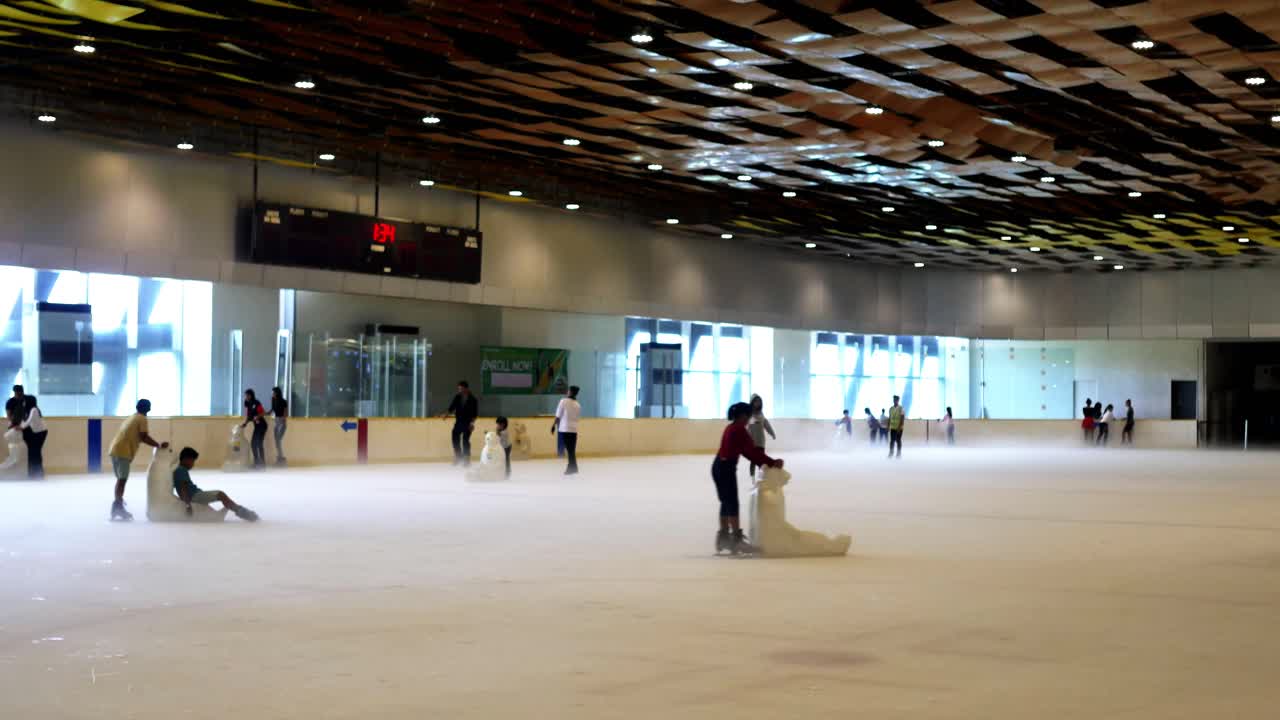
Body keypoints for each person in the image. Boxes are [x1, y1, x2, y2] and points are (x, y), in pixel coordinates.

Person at [714, 402, 784, 555]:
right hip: (726, 469)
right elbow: (752, 452)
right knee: (732, 503)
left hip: (719, 466)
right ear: (743, 415)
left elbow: (747, 452)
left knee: (726, 502)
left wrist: (765, 462)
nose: (749, 419)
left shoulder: (731, 427)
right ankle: (736, 541)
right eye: (748, 415)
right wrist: (772, 462)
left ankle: (724, 536)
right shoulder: (739, 430)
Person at [107, 399, 167, 521]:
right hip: (122, 451)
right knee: (122, 480)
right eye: (149, 407)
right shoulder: (142, 418)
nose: (150, 409)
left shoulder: (132, 417)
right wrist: (158, 445)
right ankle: (117, 507)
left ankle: (117, 504)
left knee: (121, 480)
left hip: (115, 450)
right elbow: (143, 437)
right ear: (148, 408)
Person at [173, 447, 259, 522]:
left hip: (195, 494)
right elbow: (182, 488)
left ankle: (239, 510)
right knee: (220, 495)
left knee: (220, 496)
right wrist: (187, 504)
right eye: (192, 461)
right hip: (194, 496)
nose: (193, 464)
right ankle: (243, 512)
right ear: (186, 459)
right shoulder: (181, 470)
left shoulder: (179, 469)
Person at [443, 380, 479, 466]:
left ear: (466, 388)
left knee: (465, 440)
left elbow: (475, 413)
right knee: (455, 436)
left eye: (461, 388)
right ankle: (458, 456)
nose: (459, 390)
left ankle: (466, 458)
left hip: (468, 422)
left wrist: (472, 423)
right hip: (458, 421)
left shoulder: (473, 399)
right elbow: (452, 407)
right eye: (458, 388)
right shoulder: (457, 397)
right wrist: (446, 414)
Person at [552, 385, 581, 475]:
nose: (567, 392)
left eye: (568, 390)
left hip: (565, 429)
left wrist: (553, 425)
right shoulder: (578, 405)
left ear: (571, 392)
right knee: (571, 450)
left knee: (569, 450)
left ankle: (572, 468)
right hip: (574, 430)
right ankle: (573, 467)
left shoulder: (563, 401)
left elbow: (558, 415)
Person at [15, 395, 47, 478]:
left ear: (29, 401)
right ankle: (33, 473)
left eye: (25, 401)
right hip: (35, 432)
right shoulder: (27, 410)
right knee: (33, 452)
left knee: (35, 452)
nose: (24, 402)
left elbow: (29, 421)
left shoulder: (34, 409)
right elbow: (24, 421)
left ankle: (38, 473)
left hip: (41, 432)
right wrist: (20, 426)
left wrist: (21, 427)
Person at [747, 394, 776, 478]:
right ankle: (752, 479)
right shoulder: (749, 414)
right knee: (753, 461)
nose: (758, 403)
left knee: (761, 461)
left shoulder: (761, 414)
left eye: (759, 401)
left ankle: (760, 478)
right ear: (752, 402)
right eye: (756, 401)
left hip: (761, 442)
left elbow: (766, 424)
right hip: (752, 442)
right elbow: (745, 427)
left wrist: (772, 433)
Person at [240, 389, 268, 470]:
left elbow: (263, 412)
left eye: (247, 395)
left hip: (262, 425)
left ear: (251, 395)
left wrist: (257, 417)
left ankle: (262, 463)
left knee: (258, 444)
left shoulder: (256, 403)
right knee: (253, 444)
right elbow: (249, 417)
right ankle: (257, 462)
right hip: (257, 426)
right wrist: (245, 424)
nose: (246, 397)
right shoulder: (249, 405)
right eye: (245, 396)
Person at [270, 386, 288, 466]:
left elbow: (285, 413)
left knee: (278, 441)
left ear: (277, 393)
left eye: (273, 392)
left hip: (281, 422)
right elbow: (272, 410)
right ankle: (280, 457)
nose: (272, 394)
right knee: (277, 442)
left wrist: (283, 421)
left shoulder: (284, 401)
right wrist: (264, 413)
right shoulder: (273, 400)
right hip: (276, 421)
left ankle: (281, 458)